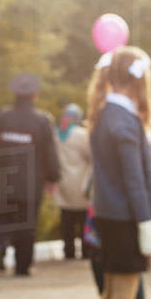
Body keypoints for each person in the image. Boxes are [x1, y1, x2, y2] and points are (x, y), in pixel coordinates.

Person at [80, 47, 151, 299]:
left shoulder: (106, 113)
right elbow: (135, 180)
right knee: (125, 290)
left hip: (111, 214)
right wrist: (147, 222)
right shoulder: (123, 120)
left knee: (112, 291)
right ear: (138, 79)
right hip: (127, 216)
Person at [0, 73, 61, 275]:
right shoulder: (42, 120)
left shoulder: (0, 117)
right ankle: (22, 266)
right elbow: (49, 152)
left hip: (2, 180)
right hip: (30, 183)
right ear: (34, 95)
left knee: (4, 215)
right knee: (27, 223)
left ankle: (1, 244)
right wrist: (53, 176)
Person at [54, 103, 93, 260]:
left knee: (66, 219)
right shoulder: (82, 134)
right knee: (83, 218)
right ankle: (85, 251)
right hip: (81, 181)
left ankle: (68, 250)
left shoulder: (56, 133)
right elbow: (91, 156)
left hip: (63, 182)